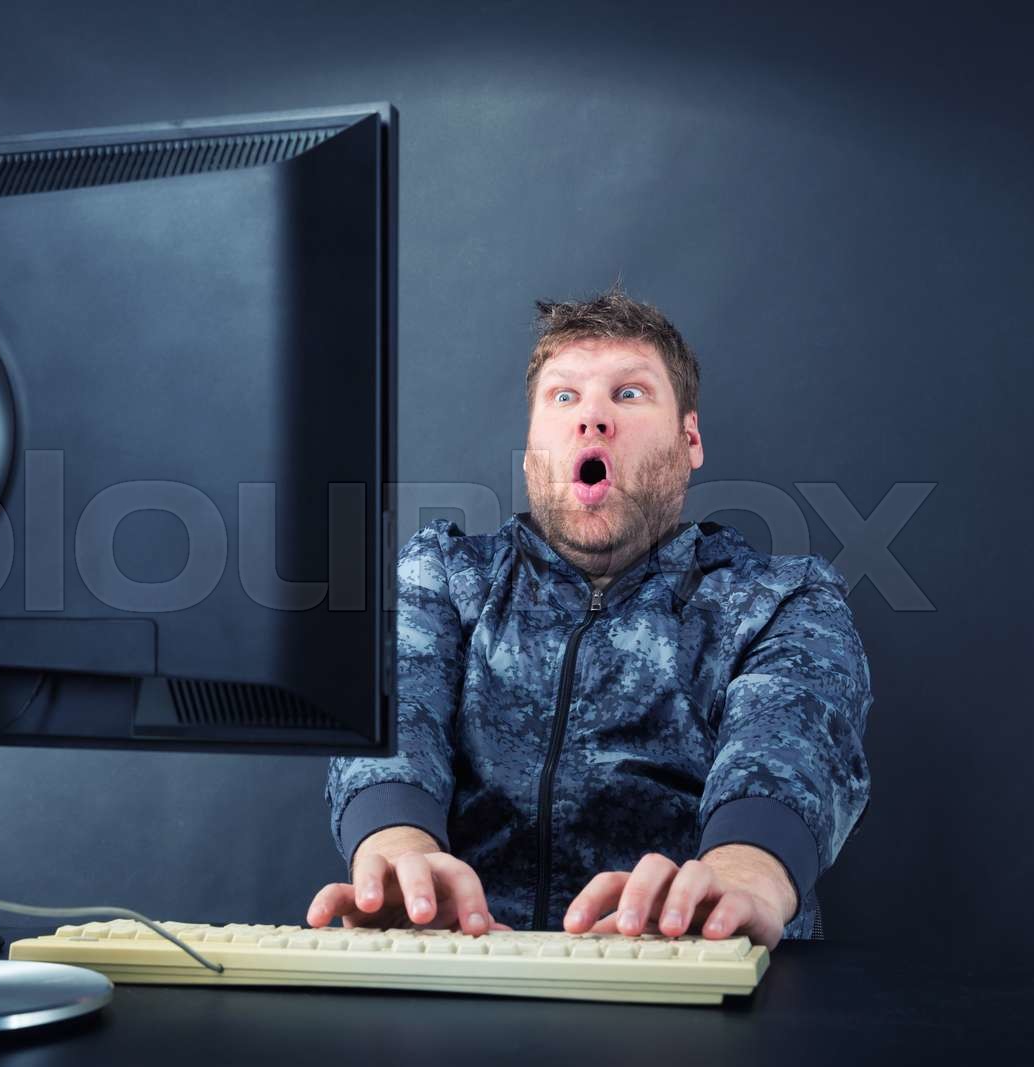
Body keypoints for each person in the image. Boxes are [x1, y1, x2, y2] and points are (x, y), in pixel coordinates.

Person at [309, 284, 872, 947]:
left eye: (629, 394)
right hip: (465, 976)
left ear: (689, 439)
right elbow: (397, 719)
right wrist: (401, 851)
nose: (592, 417)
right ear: (531, 447)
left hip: (689, 987)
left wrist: (743, 875)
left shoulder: (778, 598)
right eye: (564, 396)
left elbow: (790, 744)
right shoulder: (444, 577)